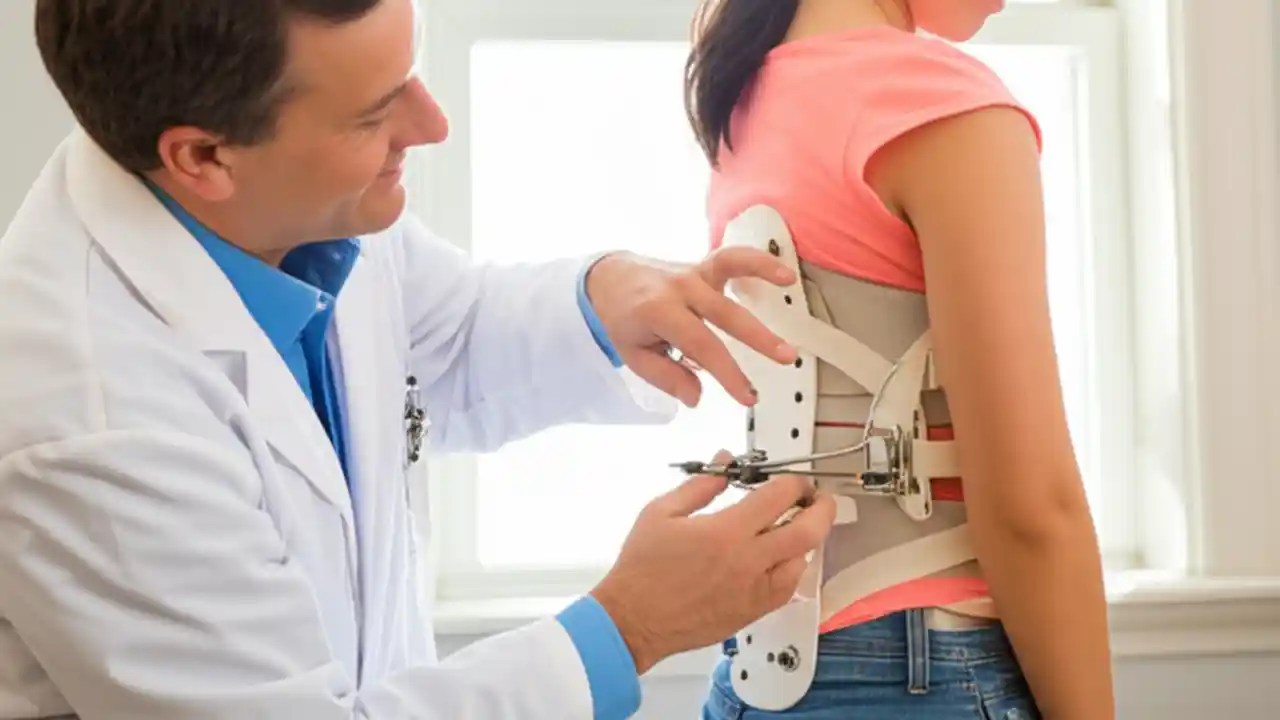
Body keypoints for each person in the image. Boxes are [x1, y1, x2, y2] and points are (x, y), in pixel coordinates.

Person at [0, 1, 840, 718]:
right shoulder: (92, 420)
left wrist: (599, 299)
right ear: (204, 156)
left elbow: (446, 337)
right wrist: (630, 629)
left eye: (413, 68)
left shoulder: (292, 208)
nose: (433, 124)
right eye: (375, 115)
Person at [684, 0, 1116, 718]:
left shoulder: (746, 97)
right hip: (923, 676)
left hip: (759, 679)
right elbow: (1030, 510)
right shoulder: (939, 108)